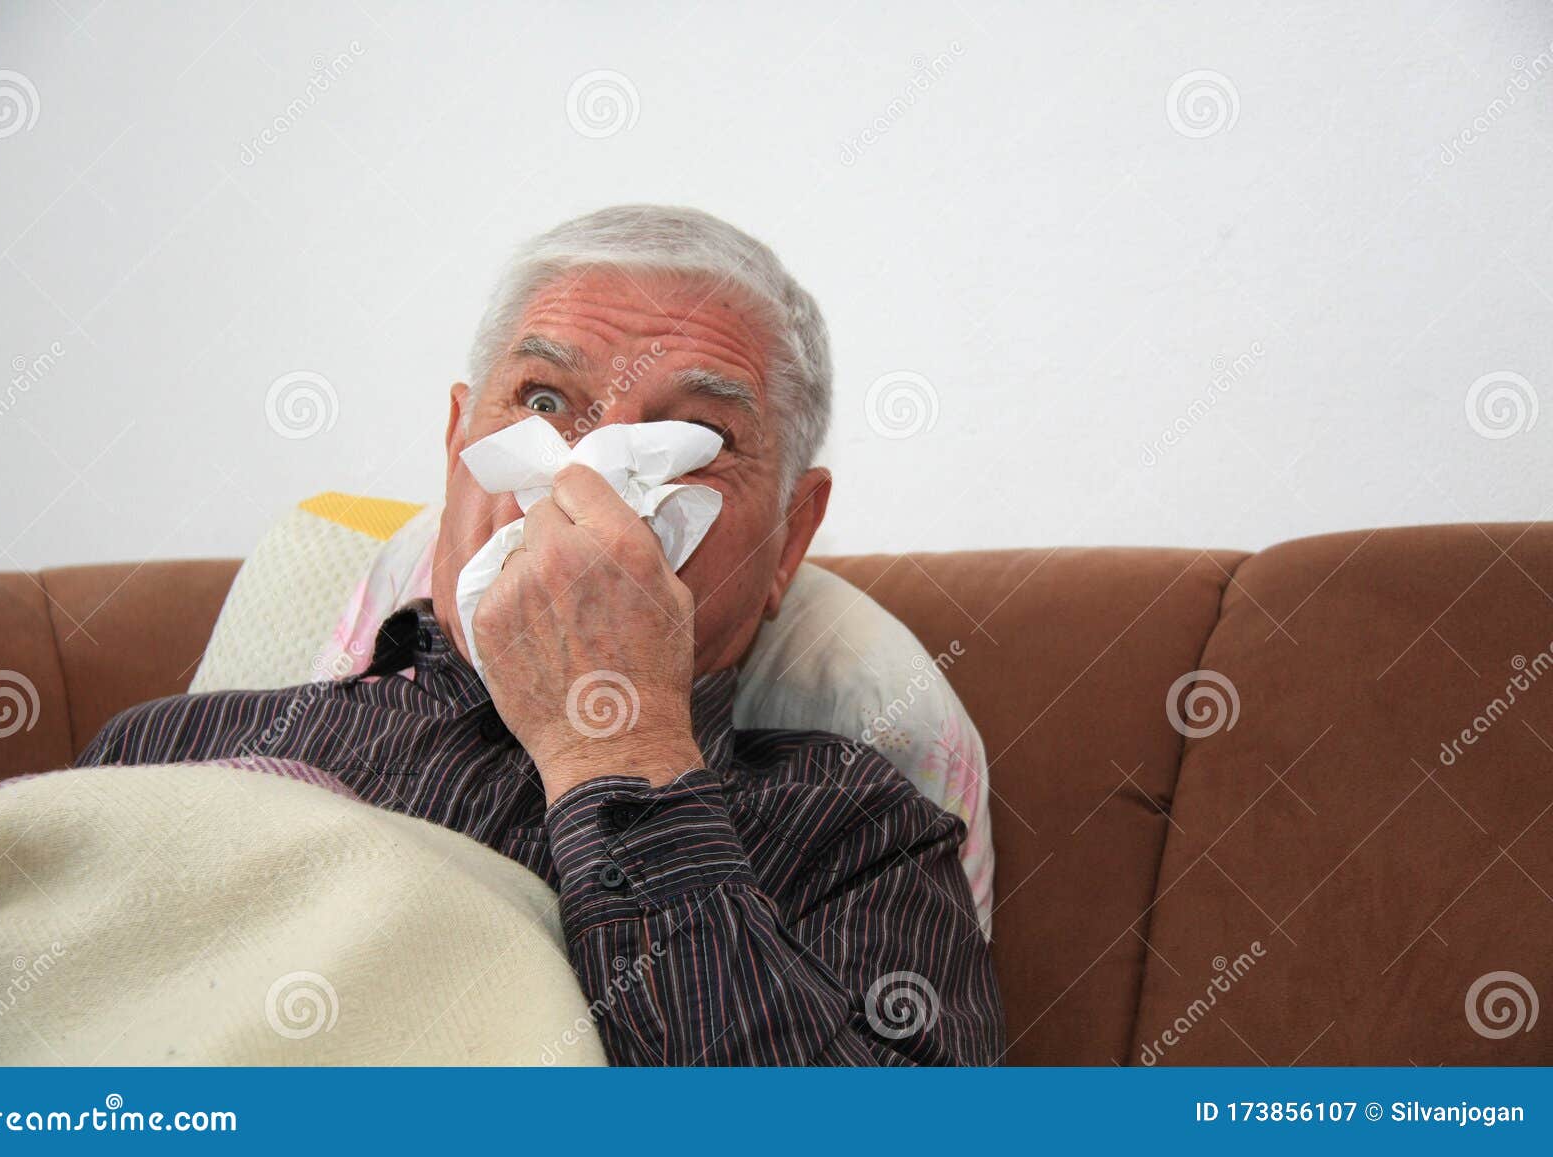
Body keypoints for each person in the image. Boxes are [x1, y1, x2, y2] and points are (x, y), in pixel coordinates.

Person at [79, 205, 1003, 1065]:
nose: (588, 478)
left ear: (790, 537)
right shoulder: (171, 747)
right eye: (546, 402)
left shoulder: (858, 832)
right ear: (456, 445)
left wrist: (615, 740)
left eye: (692, 435)